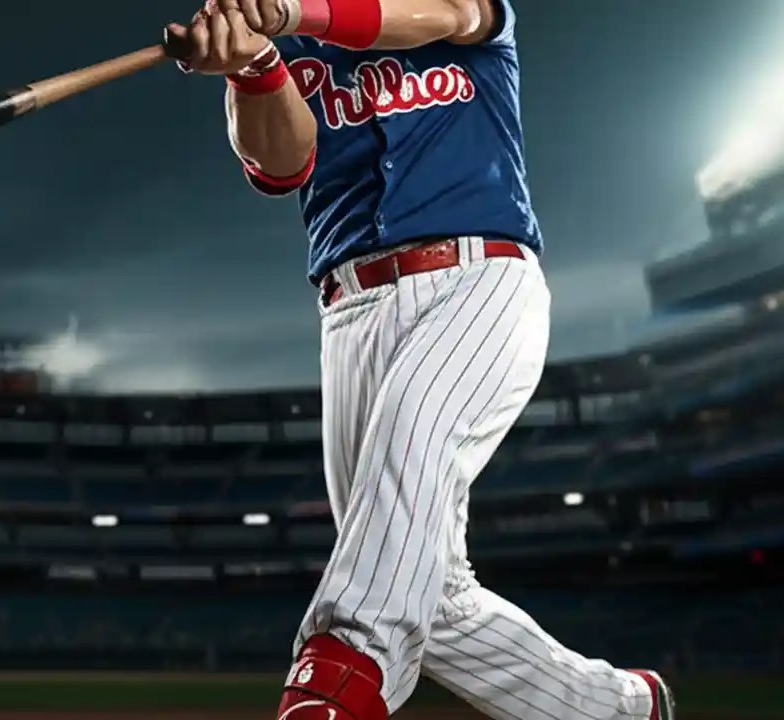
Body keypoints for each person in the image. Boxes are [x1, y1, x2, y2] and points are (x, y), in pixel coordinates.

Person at [167, 2, 674, 720]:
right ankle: (620, 710)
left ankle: (337, 678)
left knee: (402, 487)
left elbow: (442, 14)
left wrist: (286, 13)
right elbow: (282, 167)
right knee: (425, 585)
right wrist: (254, 64)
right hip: (349, 313)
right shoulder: (291, 43)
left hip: (476, 279)